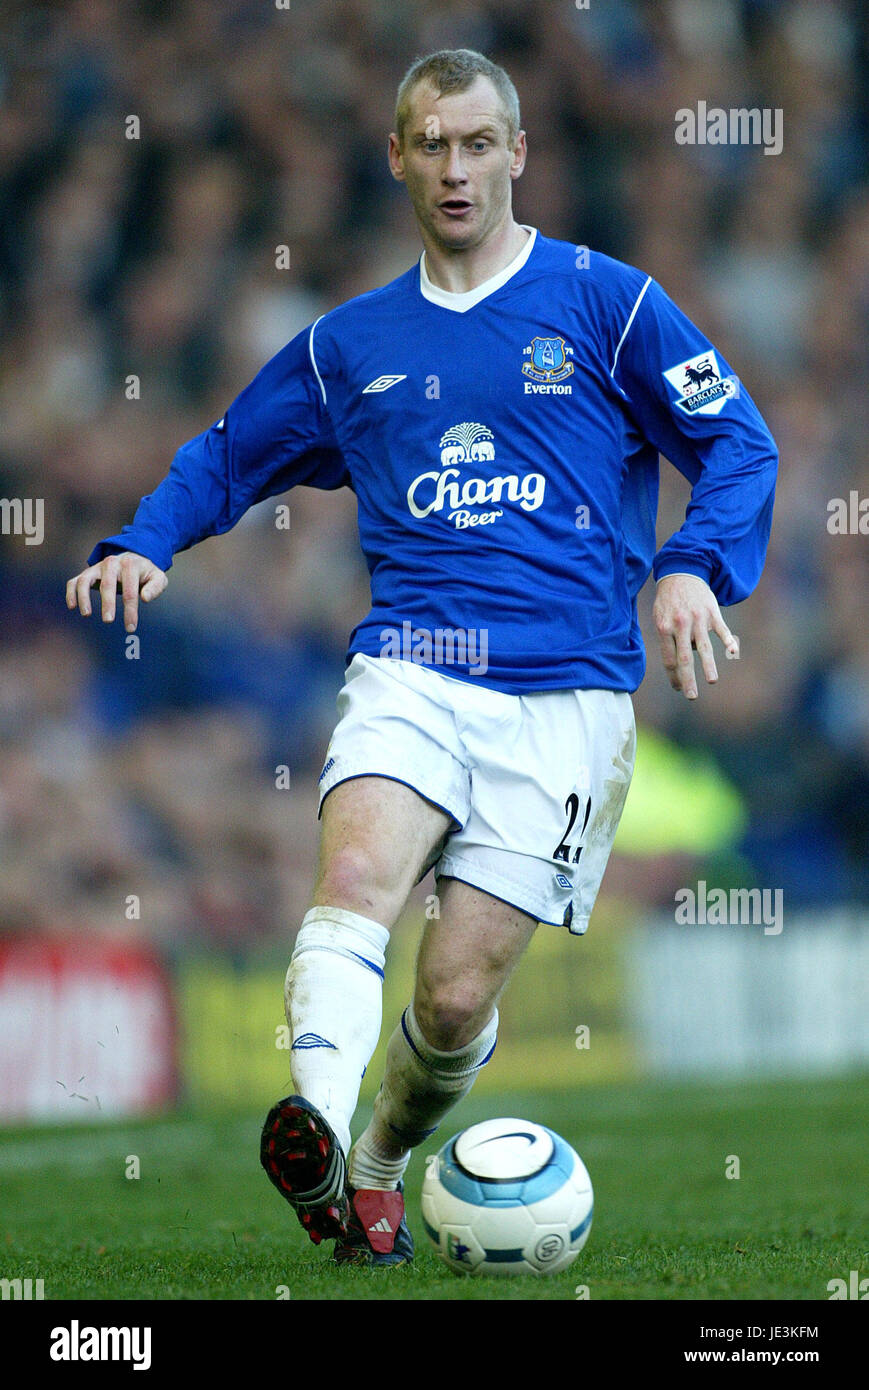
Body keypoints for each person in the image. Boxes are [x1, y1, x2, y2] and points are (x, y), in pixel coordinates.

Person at [66, 49, 778, 1267]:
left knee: (452, 1002)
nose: (455, 168)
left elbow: (738, 442)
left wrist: (687, 567)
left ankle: (375, 1167)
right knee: (353, 885)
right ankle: (314, 1125)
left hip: (567, 699)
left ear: (515, 153)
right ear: (396, 157)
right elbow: (229, 451)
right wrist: (147, 540)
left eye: (476, 143)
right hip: (410, 666)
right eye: (431, 145)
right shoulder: (349, 345)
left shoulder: (607, 304)